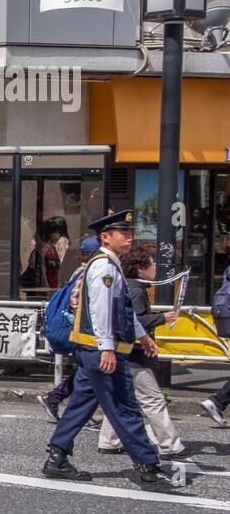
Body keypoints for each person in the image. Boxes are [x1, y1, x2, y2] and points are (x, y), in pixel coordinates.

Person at [42, 210, 180, 490]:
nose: (129, 238)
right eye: (123, 233)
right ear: (106, 237)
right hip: (101, 350)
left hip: (95, 350)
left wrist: (142, 336)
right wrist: (106, 348)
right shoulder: (104, 267)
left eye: (130, 233)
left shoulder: (110, 265)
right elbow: (101, 310)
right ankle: (148, 466)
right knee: (124, 405)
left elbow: (124, 309)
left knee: (81, 404)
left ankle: (57, 457)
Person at [94, 247, 190, 459]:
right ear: (140, 268)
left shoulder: (128, 286)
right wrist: (161, 318)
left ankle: (109, 441)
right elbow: (135, 322)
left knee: (121, 397)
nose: (155, 268)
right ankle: (170, 445)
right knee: (153, 399)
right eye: (151, 264)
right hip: (135, 353)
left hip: (124, 351)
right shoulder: (136, 290)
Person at [37, 235, 104, 432]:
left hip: (81, 332)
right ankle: (73, 412)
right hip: (84, 333)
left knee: (86, 373)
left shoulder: (79, 271)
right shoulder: (87, 274)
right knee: (91, 373)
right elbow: (77, 303)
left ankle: (54, 399)